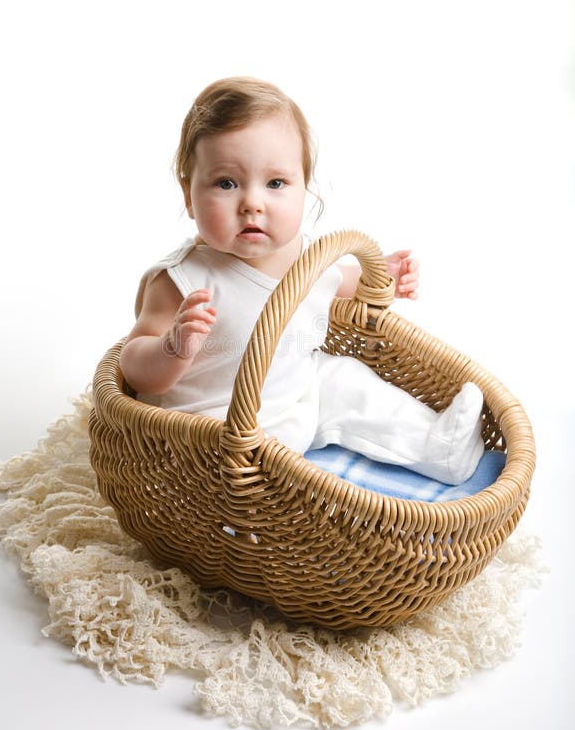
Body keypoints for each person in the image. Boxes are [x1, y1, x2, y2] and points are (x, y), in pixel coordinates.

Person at [121, 77, 484, 485]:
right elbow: (134, 367)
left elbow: (338, 281)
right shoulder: (182, 280)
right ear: (189, 195)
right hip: (218, 434)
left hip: (296, 397)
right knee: (255, 484)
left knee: (346, 379)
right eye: (226, 183)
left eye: (275, 183)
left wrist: (381, 274)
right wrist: (171, 349)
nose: (252, 203)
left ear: (304, 190)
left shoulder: (305, 257)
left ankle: (438, 447)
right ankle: (259, 521)